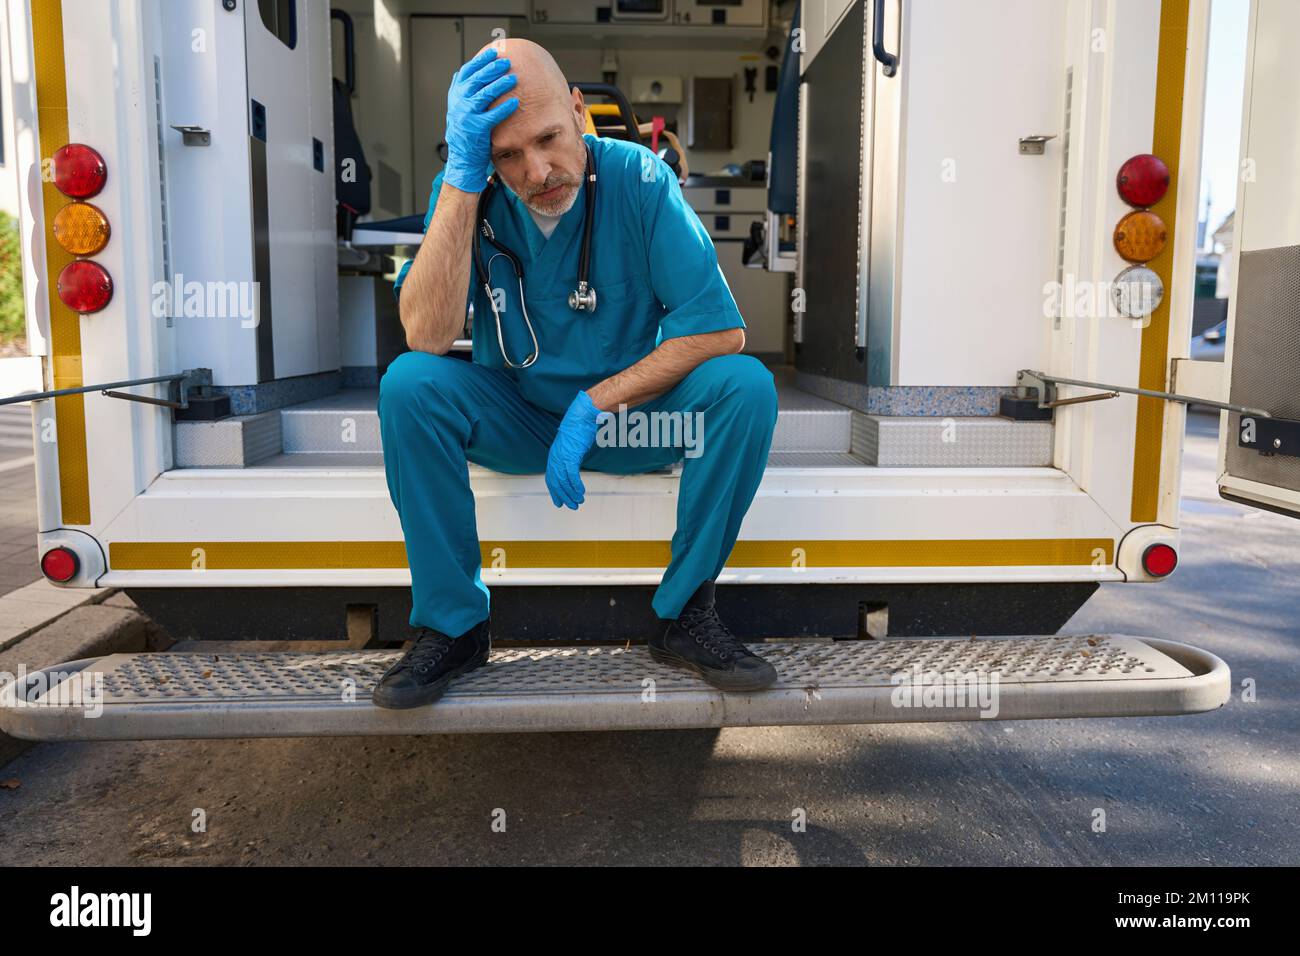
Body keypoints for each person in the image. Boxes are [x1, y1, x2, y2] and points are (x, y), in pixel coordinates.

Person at [373, 39, 779, 709]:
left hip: (631, 422)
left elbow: (719, 328)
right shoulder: (470, 194)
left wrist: (597, 403)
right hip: (524, 417)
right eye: (508, 155)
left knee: (746, 388)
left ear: (578, 110)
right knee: (409, 386)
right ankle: (455, 626)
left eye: (548, 139)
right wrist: (464, 183)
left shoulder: (641, 180)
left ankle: (685, 613)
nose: (537, 171)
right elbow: (426, 335)